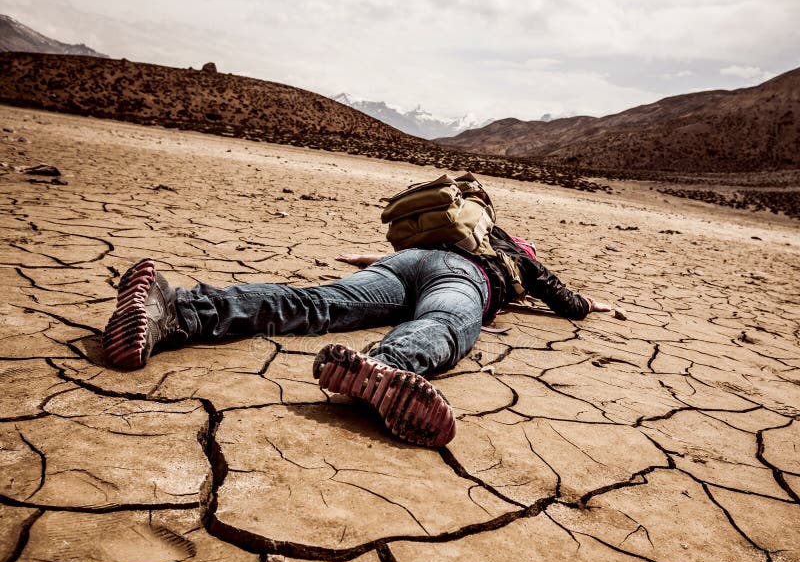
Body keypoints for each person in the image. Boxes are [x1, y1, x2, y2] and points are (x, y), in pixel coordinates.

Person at [102, 222, 611, 448]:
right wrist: (587, 303)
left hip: (401, 265)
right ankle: (390, 366)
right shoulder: (515, 254)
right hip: (459, 280)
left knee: (316, 303)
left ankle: (174, 309)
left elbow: (410, 258)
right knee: (448, 321)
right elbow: (562, 298)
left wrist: (371, 262)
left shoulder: (450, 233)